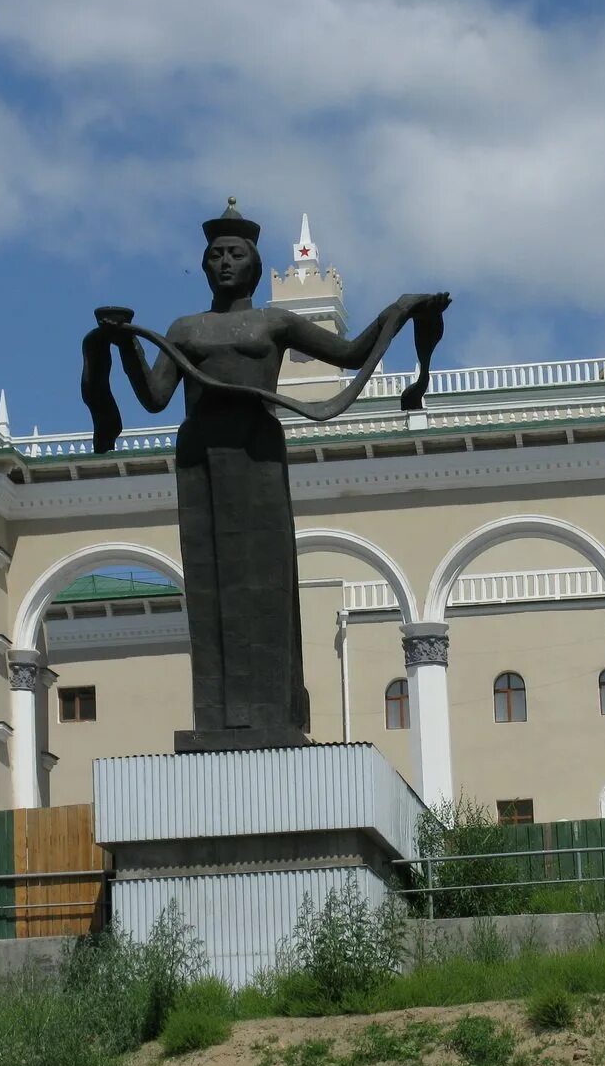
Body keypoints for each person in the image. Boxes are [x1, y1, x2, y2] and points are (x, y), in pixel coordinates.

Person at [83, 198, 448, 749]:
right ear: (204, 265)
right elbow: (156, 398)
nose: (225, 263)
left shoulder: (274, 321)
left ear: (254, 262)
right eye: (215, 255)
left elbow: (349, 354)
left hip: (256, 455)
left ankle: (273, 714)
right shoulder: (184, 328)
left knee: (267, 582)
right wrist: (125, 342)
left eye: (235, 253)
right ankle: (216, 721)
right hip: (201, 460)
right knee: (209, 586)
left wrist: (397, 310)